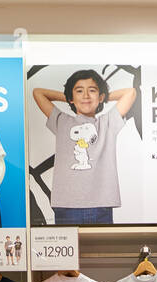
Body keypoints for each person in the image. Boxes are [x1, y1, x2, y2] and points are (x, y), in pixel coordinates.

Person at [32, 69, 137, 224]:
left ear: (101, 96)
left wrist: (101, 97)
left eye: (92, 91)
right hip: (66, 205)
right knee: (69, 248)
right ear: (71, 98)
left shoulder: (107, 122)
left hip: (101, 205)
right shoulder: (62, 121)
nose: (86, 96)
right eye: (79, 91)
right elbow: (38, 93)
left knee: (102, 249)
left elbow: (131, 92)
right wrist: (70, 98)